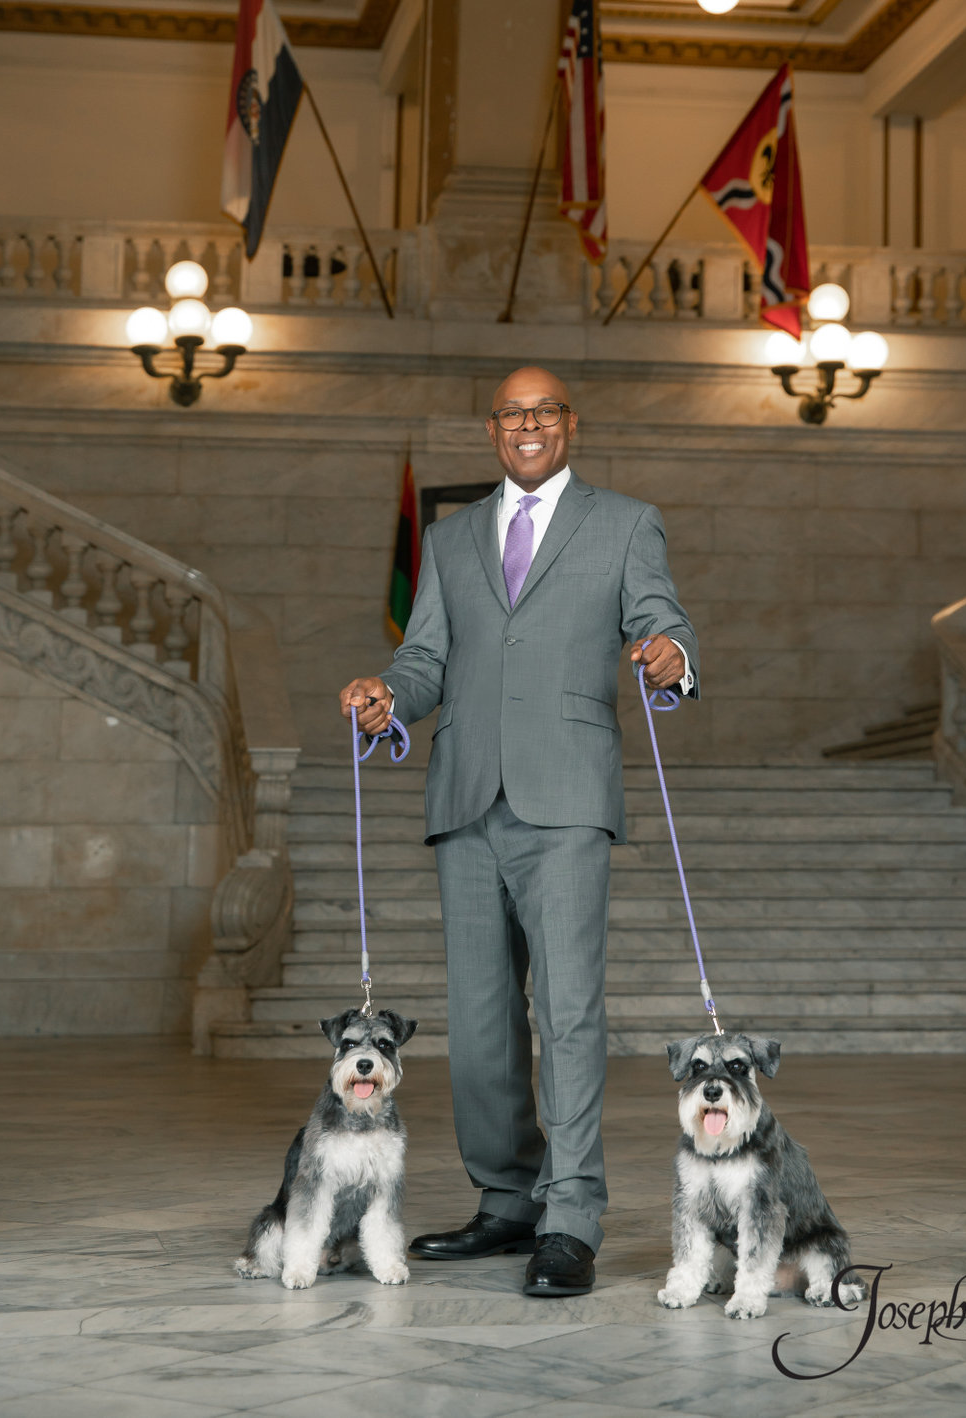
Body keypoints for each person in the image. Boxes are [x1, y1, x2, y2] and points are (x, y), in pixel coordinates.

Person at [339, 366, 698, 1297]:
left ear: (568, 425)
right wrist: (388, 699)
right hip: (464, 795)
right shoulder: (449, 537)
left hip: (567, 797)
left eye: (544, 411)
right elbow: (423, 658)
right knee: (480, 1022)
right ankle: (506, 1200)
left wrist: (671, 657)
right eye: (511, 412)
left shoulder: (625, 522)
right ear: (493, 429)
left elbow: (661, 621)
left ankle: (570, 1215)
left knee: (567, 1011)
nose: (527, 424)